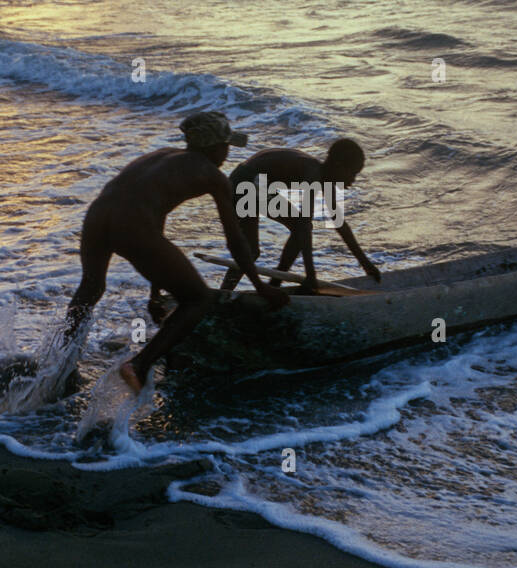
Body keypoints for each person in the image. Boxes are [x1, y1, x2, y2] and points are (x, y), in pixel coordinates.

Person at [64, 112, 289, 393]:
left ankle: (61, 364)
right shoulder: (213, 176)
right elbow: (236, 241)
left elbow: (156, 220)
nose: (228, 152)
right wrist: (260, 286)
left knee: (91, 286)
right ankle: (139, 364)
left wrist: (155, 291)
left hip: (97, 216)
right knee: (198, 299)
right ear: (213, 147)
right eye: (226, 146)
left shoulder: (160, 156)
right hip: (132, 223)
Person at [220, 139, 381, 294]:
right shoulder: (313, 174)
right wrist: (311, 275)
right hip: (244, 182)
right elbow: (304, 224)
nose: (352, 181)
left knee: (263, 244)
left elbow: (339, 223)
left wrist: (366, 264)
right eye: (352, 174)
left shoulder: (323, 177)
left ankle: (271, 284)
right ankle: (227, 292)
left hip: (255, 183)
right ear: (338, 166)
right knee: (253, 249)